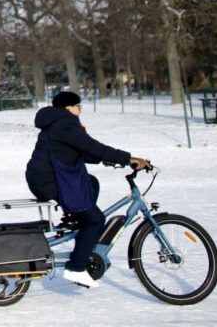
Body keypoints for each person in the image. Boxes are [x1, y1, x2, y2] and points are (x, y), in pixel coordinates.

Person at [25, 90, 148, 288]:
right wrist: (129, 158)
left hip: (45, 178)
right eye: (77, 106)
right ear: (67, 108)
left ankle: (77, 219)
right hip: (49, 181)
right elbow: (92, 146)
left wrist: (106, 160)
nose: (80, 109)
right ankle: (76, 267)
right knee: (96, 220)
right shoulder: (65, 123)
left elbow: (82, 151)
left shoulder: (57, 122)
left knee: (91, 183)